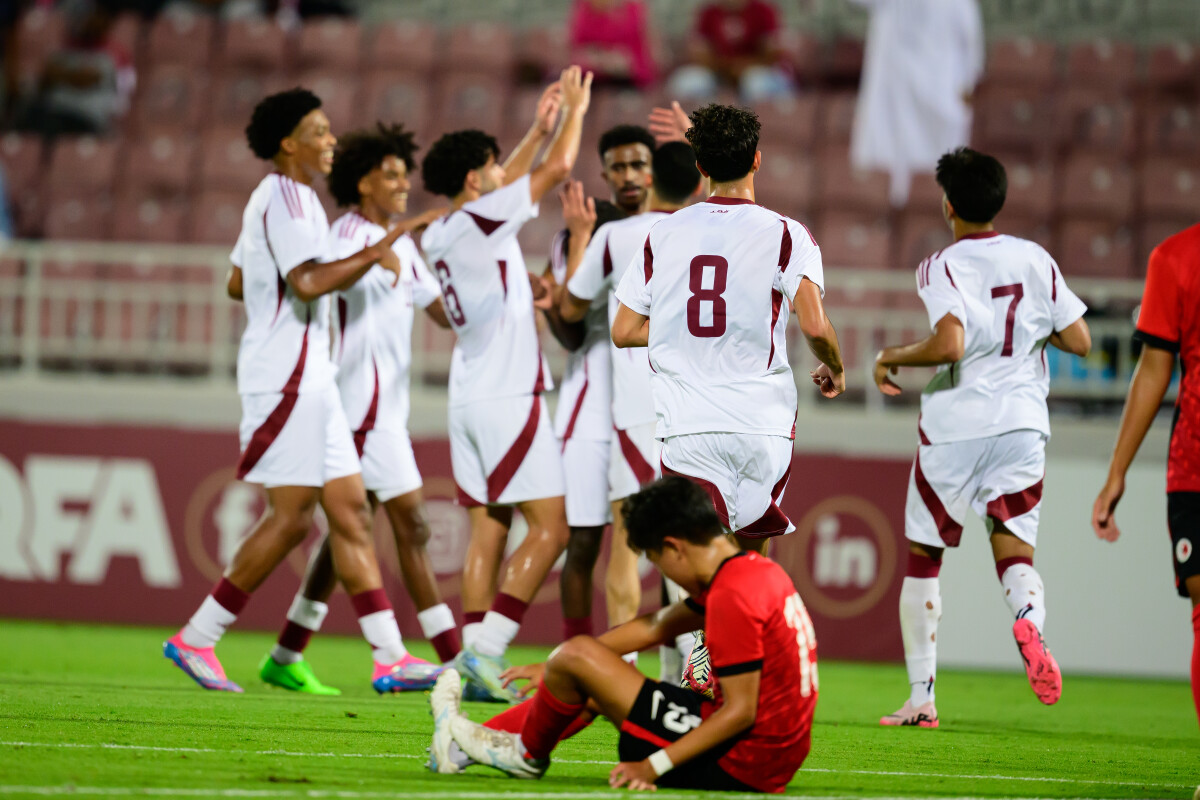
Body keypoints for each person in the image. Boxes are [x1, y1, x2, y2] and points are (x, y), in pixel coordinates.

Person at [163, 89, 417, 693]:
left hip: (314, 373)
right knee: (291, 517)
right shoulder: (288, 196)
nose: (332, 141)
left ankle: (391, 658)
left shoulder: (283, 200)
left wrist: (280, 278)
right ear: (289, 144)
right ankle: (197, 637)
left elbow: (236, 281)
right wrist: (370, 254)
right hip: (288, 375)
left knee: (352, 512)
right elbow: (305, 283)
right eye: (320, 132)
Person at [872, 147, 1091, 726]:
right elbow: (1083, 341)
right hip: (1022, 424)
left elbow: (949, 345)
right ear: (999, 202)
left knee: (923, 558)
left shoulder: (940, 265)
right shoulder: (1036, 259)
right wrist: (1034, 336)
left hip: (955, 425)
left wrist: (890, 355)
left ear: (948, 206)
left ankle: (921, 698)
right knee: (1015, 551)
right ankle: (1027, 620)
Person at [427, 476, 819, 793]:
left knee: (579, 657)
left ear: (673, 548)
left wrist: (653, 766)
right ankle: (465, 747)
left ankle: (519, 755)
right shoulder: (750, 571)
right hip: (769, 752)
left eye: (654, 560)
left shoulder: (733, 594)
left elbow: (740, 712)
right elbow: (655, 626)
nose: (662, 571)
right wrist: (554, 667)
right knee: (582, 664)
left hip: (743, 762)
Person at [253, 123, 459, 695]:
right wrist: (383, 250)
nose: (402, 184)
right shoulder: (343, 240)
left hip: (384, 411)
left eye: (404, 175)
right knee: (411, 525)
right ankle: (457, 660)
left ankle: (287, 650)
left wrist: (500, 294)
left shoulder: (399, 243)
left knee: (345, 534)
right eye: (390, 174)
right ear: (363, 179)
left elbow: (439, 311)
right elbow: (321, 283)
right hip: (355, 411)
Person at [419, 66, 592, 703]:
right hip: (506, 394)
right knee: (553, 527)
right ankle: (486, 652)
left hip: (469, 393)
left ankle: (472, 656)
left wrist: (533, 129)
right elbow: (551, 171)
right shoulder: (478, 221)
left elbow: (508, 178)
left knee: (490, 527)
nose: (501, 174)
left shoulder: (442, 232)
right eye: (490, 167)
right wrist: (571, 114)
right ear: (474, 178)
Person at [612, 103, 844, 553]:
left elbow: (624, 330)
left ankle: (701, 626)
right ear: (757, 158)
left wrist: (678, 328)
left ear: (699, 166)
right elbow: (814, 325)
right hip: (761, 423)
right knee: (749, 563)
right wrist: (834, 364)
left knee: (697, 561)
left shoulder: (665, 232)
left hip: (688, 424)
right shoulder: (786, 234)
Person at [558, 142, 703, 676]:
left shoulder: (616, 235)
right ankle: (692, 664)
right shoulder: (707, 233)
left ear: (648, 179)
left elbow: (570, 306)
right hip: (693, 405)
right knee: (689, 539)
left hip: (636, 405)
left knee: (626, 546)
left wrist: (578, 241)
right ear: (695, 181)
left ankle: (627, 675)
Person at [543, 124, 654, 646]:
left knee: (666, 544)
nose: (629, 176)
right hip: (591, 405)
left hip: (652, 405)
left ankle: (682, 668)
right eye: (619, 166)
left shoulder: (679, 229)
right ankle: (581, 658)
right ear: (605, 173)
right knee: (586, 541)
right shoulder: (581, 233)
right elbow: (565, 329)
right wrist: (579, 242)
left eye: (639, 164)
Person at [1092, 224, 1200, 728]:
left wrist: (1118, 472)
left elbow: (1155, 370)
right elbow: (1155, 369)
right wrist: (1117, 471)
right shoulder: (1174, 258)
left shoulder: (1176, 256)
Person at [848, 0, 984, 207]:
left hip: (941, 100)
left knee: (941, 189)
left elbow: (972, 54)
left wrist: (966, 88)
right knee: (890, 189)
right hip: (895, 99)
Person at [668, 0, 791, 103]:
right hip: (719, 73)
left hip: (755, 70)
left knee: (756, 83)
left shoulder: (763, 11)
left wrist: (744, 66)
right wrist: (726, 68)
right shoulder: (709, 13)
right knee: (684, 83)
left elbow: (773, 53)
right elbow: (699, 52)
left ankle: (766, 125)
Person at [567, 0, 657, 90]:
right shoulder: (583, 8)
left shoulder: (635, 9)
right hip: (591, 80)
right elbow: (575, 49)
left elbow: (647, 55)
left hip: (629, 81)